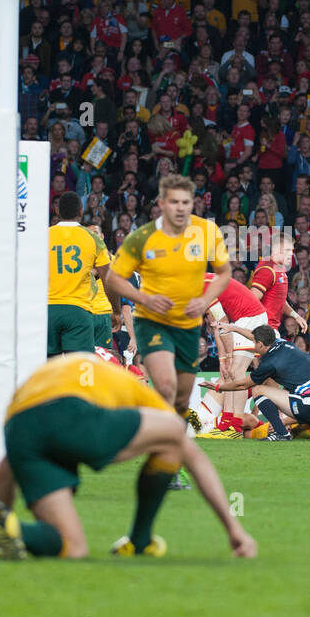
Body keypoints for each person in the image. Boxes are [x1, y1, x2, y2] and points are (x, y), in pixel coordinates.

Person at [0, 353, 257, 560]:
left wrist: (3, 512)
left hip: (18, 425)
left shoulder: (56, 370)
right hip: (71, 411)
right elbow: (192, 455)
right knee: (173, 434)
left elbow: (2, 471)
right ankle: (140, 540)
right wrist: (233, 528)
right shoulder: (132, 386)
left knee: (72, 547)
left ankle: (16, 529)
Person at [105, 173, 232, 429]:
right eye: (174, 202)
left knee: (181, 401)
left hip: (187, 325)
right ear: (162, 204)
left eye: (186, 202)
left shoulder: (207, 231)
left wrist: (205, 299)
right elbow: (113, 278)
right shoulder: (142, 237)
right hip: (152, 322)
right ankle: (160, 449)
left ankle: (167, 454)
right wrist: (143, 298)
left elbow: (224, 273)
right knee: (165, 386)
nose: (181, 208)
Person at [201, 325, 310, 440]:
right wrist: (233, 328)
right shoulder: (283, 343)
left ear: (261, 344)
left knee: (258, 390)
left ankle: (282, 433)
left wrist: (218, 387)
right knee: (303, 391)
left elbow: (242, 384)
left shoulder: (269, 363)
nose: (253, 345)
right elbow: (254, 335)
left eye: (255, 343)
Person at [202, 270, 269, 437]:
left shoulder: (202, 288)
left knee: (236, 371)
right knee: (232, 371)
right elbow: (218, 325)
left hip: (250, 317)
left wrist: (229, 356)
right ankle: (228, 421)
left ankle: (235, 423)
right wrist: (224, 359)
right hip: (244, 318)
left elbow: (222, 323)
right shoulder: (200, 280)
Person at [47, 192, 110, 355]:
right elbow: (108, 279)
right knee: (79, 370)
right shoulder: (94, 238)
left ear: (57, 211)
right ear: (81, 211)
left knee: (49, 370)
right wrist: (116, 310)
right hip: (79, 311)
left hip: (47, 309)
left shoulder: (43, 236)